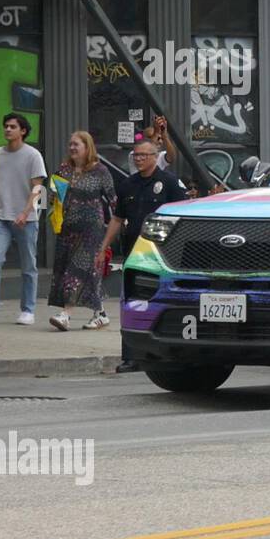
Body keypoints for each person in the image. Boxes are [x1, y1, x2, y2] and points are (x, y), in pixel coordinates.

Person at [99, 139, 190, 372]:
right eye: (135, 155)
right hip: (135, 253)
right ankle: (130, 357)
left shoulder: (169, 183)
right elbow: (118, 219)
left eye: (143, 155)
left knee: (160, 302)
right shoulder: (128, 184)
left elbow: (184, 216)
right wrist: (103, 247)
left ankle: (163, 353)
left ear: (154, 156)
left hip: (162, 255)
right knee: (131, 303)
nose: (138, 159)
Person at [46, 132, 116, 332]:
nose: (72, 148)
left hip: (91, 231)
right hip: (67, 229)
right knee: (88, 272)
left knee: (76, 269)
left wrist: (118, 225)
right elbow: (53, 197)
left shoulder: (100, 171)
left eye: (76, 144)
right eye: (70, 144)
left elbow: (113, 199)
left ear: (88, 147)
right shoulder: (63, 170)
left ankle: (66, 315)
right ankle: (100, 314)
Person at [0, 113, 47, 325]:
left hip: (27, 219)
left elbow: (37, 188)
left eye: (12, 126)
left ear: (22, 131)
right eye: (5, 126)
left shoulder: (33, 155)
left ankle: (28, 310)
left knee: (28, 265)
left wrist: (25, 212)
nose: (7, 129)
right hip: (1, 217)